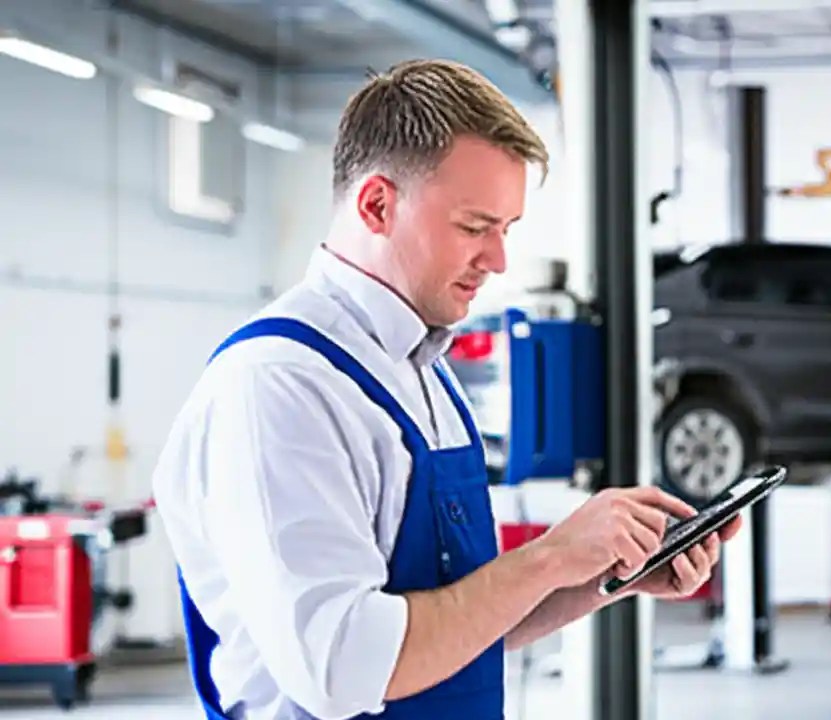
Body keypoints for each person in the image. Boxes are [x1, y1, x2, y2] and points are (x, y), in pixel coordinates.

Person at [151, 58, 742, 720]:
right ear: (377, 204)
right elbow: (343, 666)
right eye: (474, 226)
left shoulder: (420, 369)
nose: (499, 260)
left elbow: (459, 619)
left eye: (506, 229)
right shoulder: (278, 388)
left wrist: (606, 575)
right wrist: (550, 555)